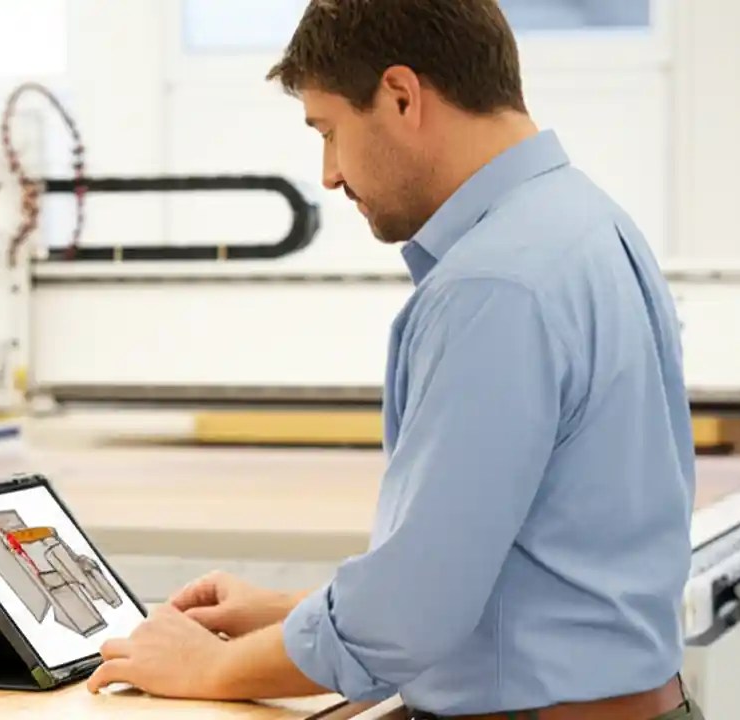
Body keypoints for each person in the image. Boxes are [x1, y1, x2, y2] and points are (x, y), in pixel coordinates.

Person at [85, 1, 705, 718]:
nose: (328, 174)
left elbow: (413, 613)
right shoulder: (591, 224)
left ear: (402, 96)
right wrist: (285, 614)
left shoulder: (492, 284)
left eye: (329, 132)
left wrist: (213, 667)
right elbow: (509, 581)